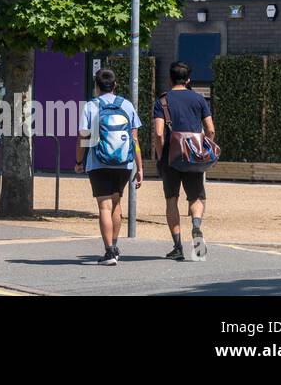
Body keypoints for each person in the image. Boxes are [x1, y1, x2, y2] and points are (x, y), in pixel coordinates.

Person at [75, 68, 144, 266]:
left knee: (104, 206)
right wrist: (139, 168)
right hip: (124, 164)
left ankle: (109, 252)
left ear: (96, 86)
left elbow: (83, 137)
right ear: (115, 86)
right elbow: (134, 139)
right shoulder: (127, 105)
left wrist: (79, 162)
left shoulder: (91, 106)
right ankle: (115, 245)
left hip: (98, 163)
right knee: (116, 203)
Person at [153, 60, 216, 261]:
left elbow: (158, 132)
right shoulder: (199, 99)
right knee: (196, 197)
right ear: (188, 79)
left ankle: (177, 246)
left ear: (170, 78)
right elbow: (210, 129)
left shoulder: (162, 101)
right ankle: (196, 227)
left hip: (171, 155)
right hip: (193, 155)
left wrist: (160, 153)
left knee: (172, 199)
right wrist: (204, 148)